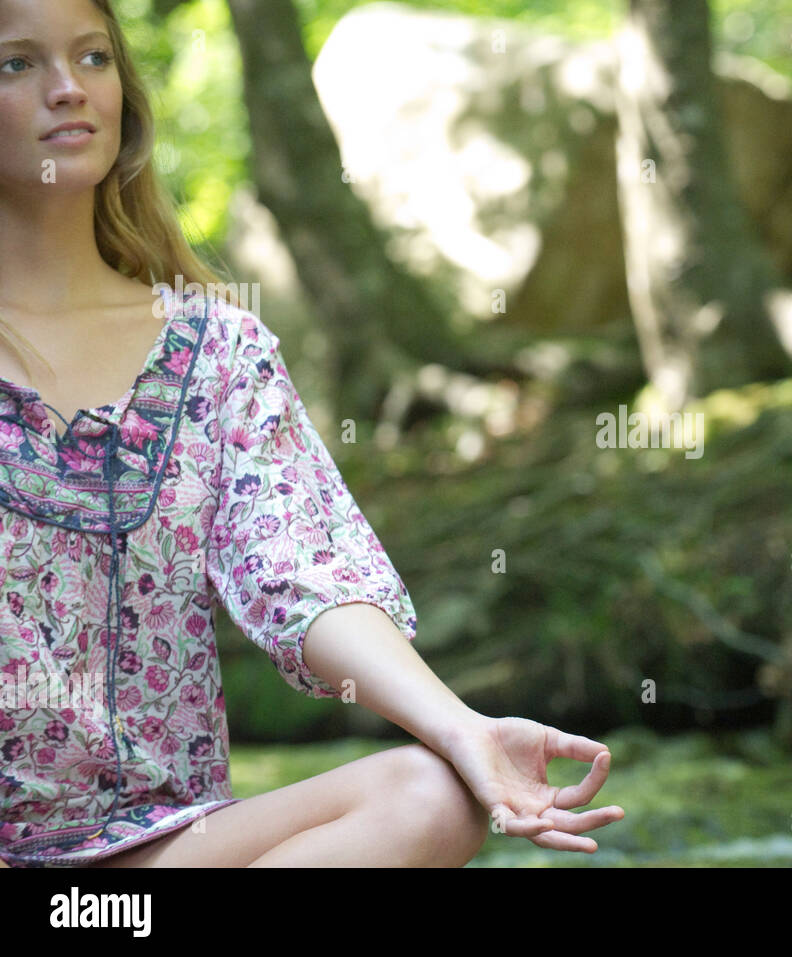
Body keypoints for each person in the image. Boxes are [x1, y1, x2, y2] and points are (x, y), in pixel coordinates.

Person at [0, 0, 623, 867]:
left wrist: (463, 726)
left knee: (432, 791)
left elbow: (303, 572)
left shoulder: (218, 350)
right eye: (17, 64)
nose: (68, 89)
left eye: (93, 57)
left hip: (160, 856)